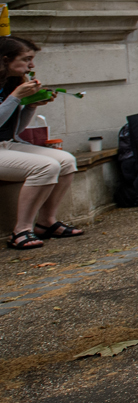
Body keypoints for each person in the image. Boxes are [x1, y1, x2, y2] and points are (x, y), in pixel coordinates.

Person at [1, 37, 81, 250]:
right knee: (45, 166)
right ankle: (20, 231)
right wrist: (16, 97)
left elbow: (14, 130)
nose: (31, 65)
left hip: (7, 144)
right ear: (5, 59)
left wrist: (31, 106)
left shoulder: (12, 82)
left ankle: (46, 222)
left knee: (65, 161)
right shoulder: (14, 89)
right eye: (26, 59)